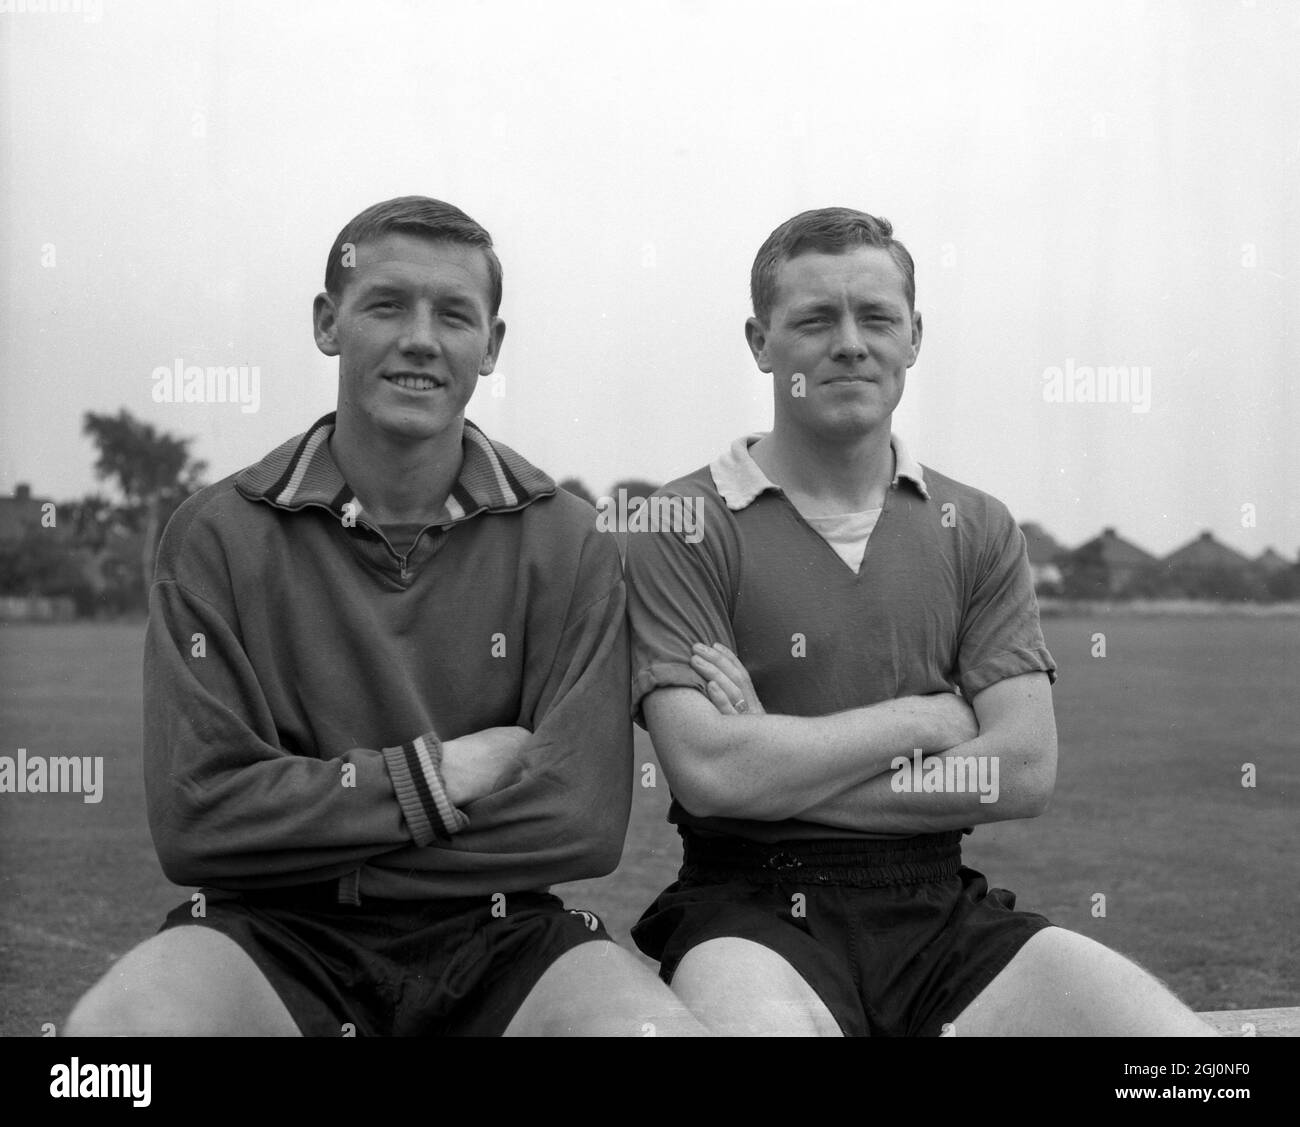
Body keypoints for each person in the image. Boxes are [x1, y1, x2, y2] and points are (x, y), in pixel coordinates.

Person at [65, 196, 705, 1037]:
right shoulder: (216, 532)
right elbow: (199, 821)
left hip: (503, 930)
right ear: (329, 323)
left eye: (454, 314)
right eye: (386, 305)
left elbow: (579, 823)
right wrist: (438, 776)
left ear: (492, 344)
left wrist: (313, 823)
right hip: (269, 931)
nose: (420, 338)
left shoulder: (567, 537)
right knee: (116, 1046)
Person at [623, 206, 1216, 1037]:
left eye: (876, 317)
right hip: (747, 909)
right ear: (760, 341)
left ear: (914, 336)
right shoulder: (679, 520)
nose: (851, 343)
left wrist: (780, 761)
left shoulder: (977, 525)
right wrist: (926, 719)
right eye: (814, 319)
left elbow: (1021, 770)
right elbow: (714, 775)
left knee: (1195, 1068)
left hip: (939, 907)